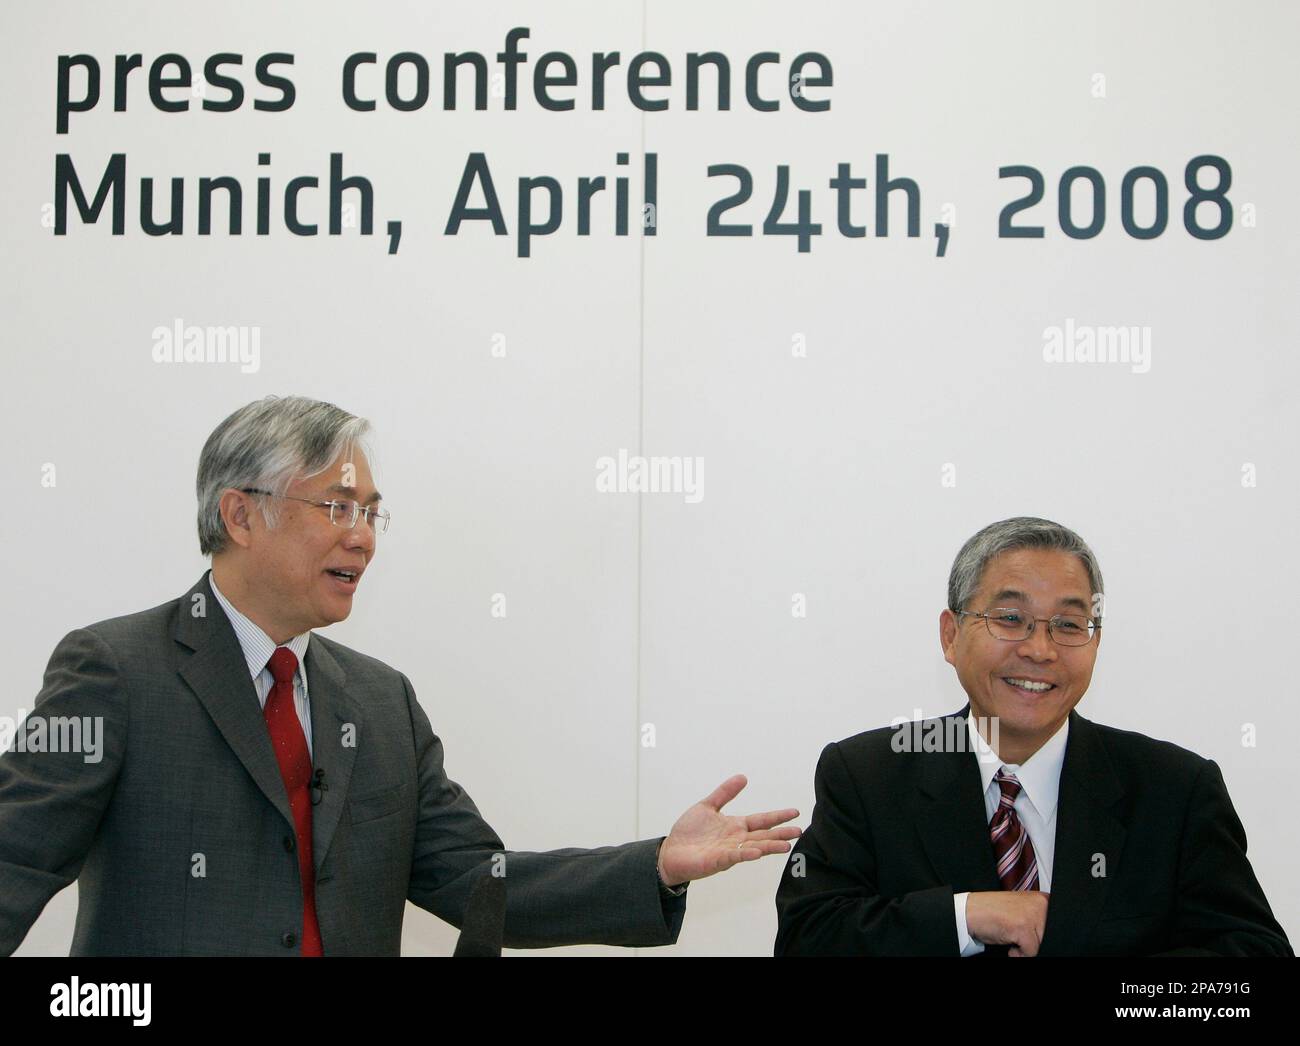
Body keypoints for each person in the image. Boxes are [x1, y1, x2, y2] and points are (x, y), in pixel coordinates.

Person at [0, 395, 799, 956]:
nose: (364, 538)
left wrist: (656, 863)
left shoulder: (379, 702)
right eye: (336, 508)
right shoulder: (116, 671)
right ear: (240, 515)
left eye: (371, 512)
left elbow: (479, 884)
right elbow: (13, 859)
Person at [774, 517, 1291, 957]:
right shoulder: (867, 774)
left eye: (1069, 624)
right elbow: (807, 938)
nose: (1040, 650)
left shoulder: (1175, 788)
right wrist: (966, 916)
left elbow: (1253, 954)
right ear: (950, 636)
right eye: (1012, 618)